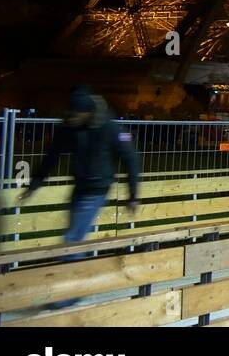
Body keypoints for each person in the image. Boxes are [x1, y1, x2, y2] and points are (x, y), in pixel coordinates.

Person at [17, 85, 141, 310]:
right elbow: (51, 156)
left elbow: (130, 158)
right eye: (70, 114)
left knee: (71, 239)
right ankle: (74, 282)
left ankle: (70, 293)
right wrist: (33, 185)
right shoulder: (69, 127)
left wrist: (133, 195)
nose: (72, 118)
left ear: (88, 113)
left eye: (76, 115)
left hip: (97, 189)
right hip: (80, 187)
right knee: (74, 237)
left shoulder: (109, 127)